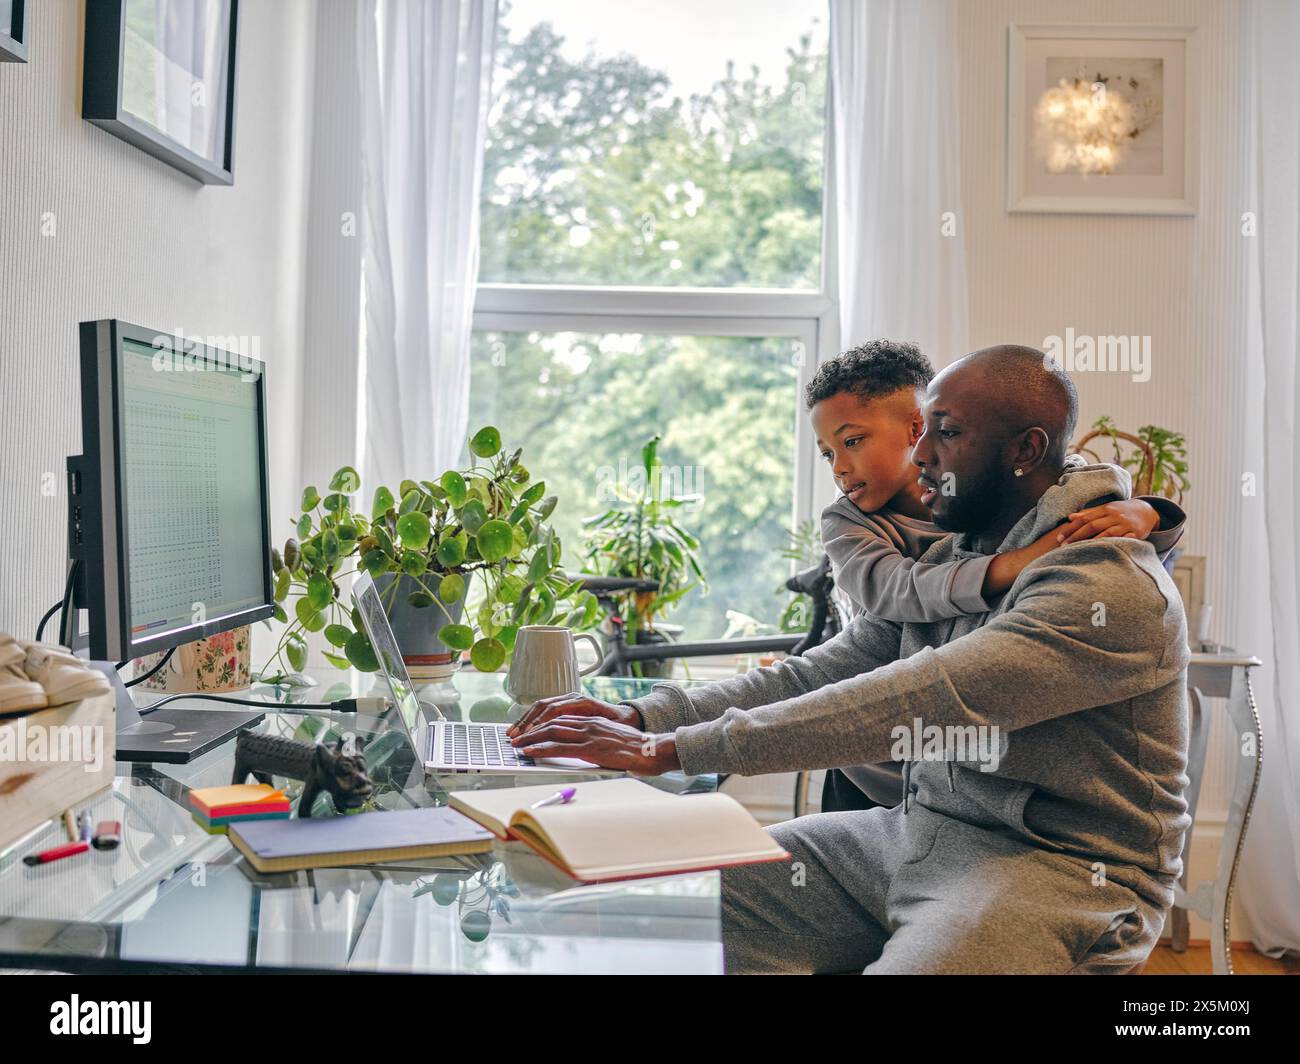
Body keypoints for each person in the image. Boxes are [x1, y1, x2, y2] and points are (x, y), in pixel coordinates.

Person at [508, 345, 1191, 974]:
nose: (920, 455)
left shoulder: (1106, 588)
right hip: (911, 834)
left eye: (944, 432)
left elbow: (923, 697)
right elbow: (826, 667)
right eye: (921, 430)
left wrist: (673, 749)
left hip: (1058, 873)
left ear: (1025, 450)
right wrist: (641, 713)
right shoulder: (964, 555)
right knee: (667, 908)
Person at [807, 339, 1185, 812]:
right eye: (827, 454)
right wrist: (1010, 565)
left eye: (853, 441)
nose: (840, 467)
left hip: (961, 764)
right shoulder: (849, 523)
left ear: (916, 427)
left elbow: (1077, 484)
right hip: (869, 761)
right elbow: (899, 590)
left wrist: (1147, 511)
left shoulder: (986, 500)